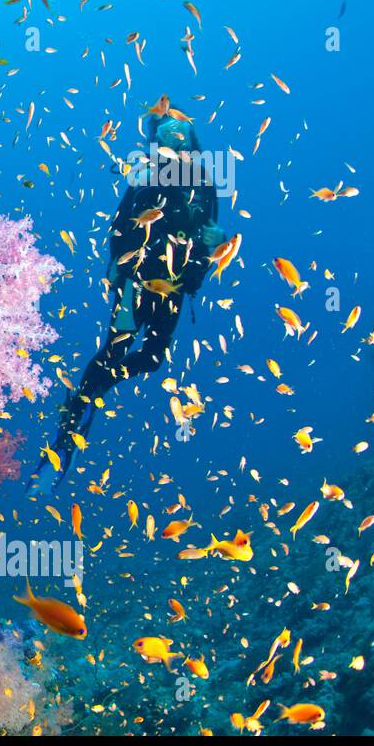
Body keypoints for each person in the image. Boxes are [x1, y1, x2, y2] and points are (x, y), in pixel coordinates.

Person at [29, 97, 225, 494]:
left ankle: (91, 390)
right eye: (165, 128)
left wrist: (208, 254)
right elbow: (119, 228)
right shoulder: (147, 178)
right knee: (114, 349)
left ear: (190, 137)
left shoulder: (205, 182)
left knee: (151, 359)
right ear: (156, 138)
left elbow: (209, 241)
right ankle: (69, 428)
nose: (174, 133)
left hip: (174, 287)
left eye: (180, 128)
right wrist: (121, 280)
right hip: (138, 282)